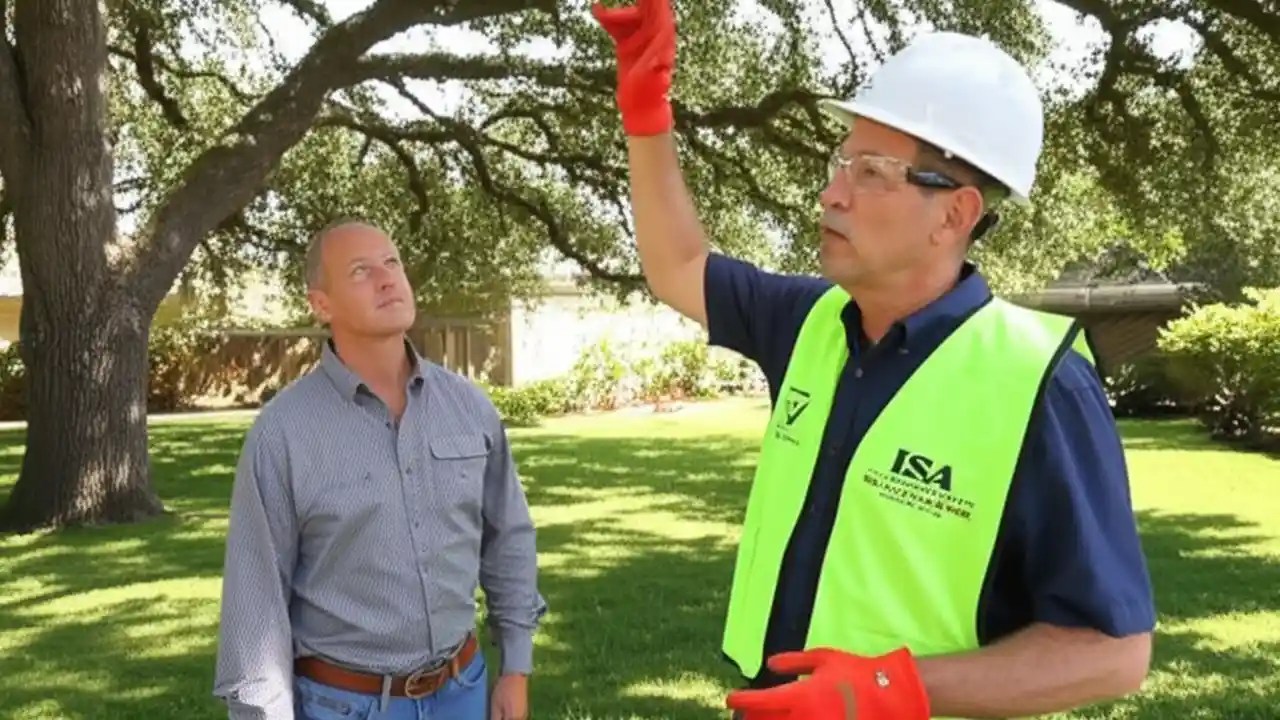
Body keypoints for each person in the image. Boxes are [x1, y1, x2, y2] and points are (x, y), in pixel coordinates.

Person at [591, 1, 1156, 718]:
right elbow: (678, 265)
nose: (830, 194)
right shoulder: (809, 323)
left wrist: (896, 688)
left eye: (870, 172)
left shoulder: (1039, 382)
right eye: (839, 164)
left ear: (955, 214)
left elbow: (1113, 652)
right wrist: (646, 111)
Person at [212, 220, 546, 720]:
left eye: (392, 263)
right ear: (321, 304)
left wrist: (515, 669)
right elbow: (255, 602)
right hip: (344, 704)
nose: (387, 279)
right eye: (361, 271)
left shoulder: (468, 408)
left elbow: (509, 540)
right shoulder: (283, 433)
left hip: (464, 692)